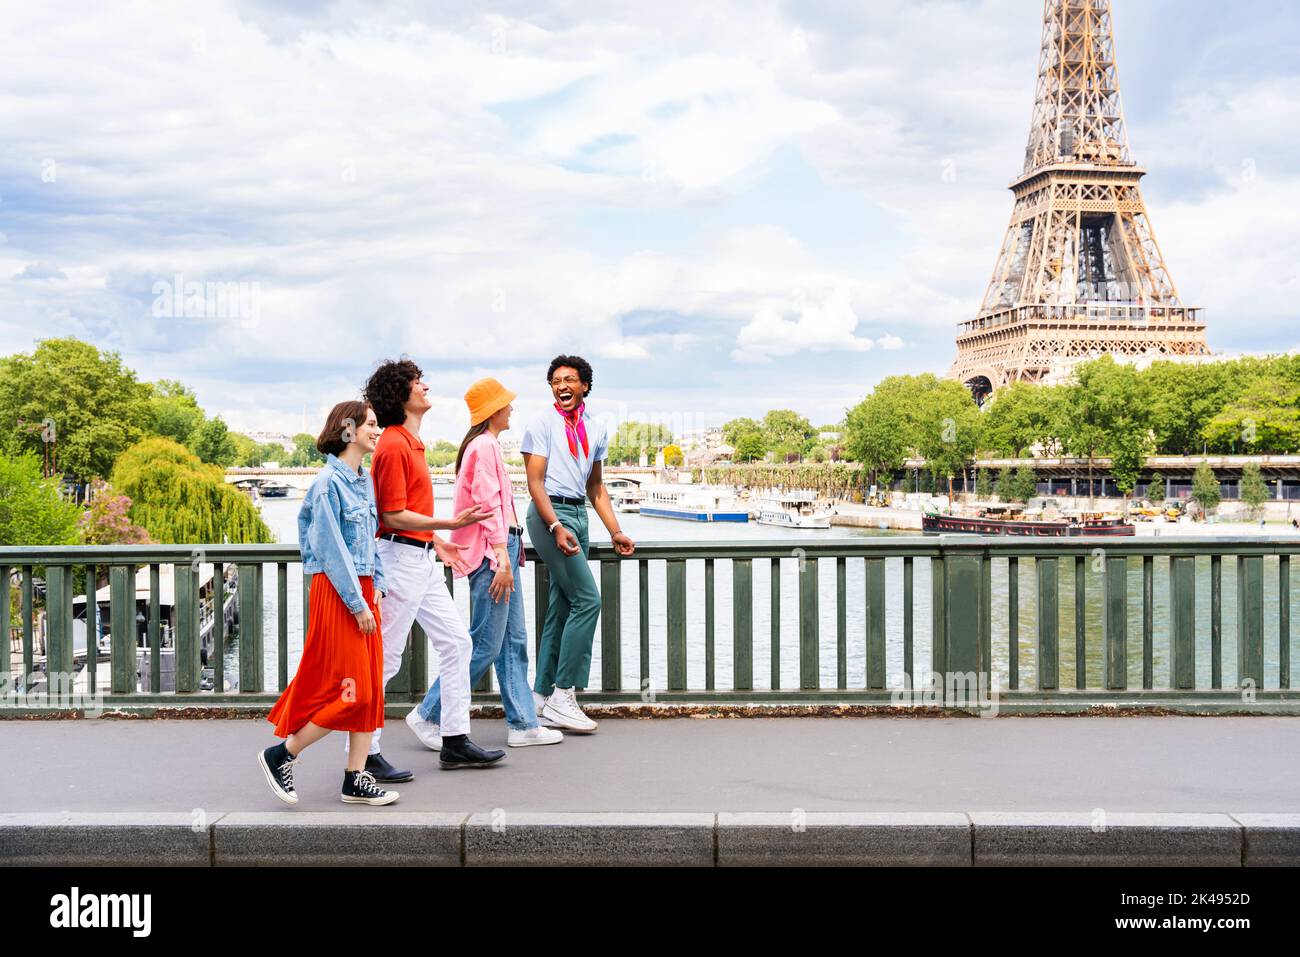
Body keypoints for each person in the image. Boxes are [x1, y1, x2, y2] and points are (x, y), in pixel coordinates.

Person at [364, 358, 505, 777]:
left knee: (458, 644)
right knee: (386, 659)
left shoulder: (411, 442)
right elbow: (390, 515)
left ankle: (455, 740)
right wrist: (451, 524)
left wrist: (438, 542)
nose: (424, 386)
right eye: (416, 382)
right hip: (400, 561)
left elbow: (407, 512)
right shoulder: (392, 443)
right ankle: (366, 753)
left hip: (419, 557)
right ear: (400, 395)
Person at [406, 378, 563, 749]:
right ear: (494, 410)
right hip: (495, 551)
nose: (512, 409)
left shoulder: (481, 445)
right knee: (485, 644)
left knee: (513, 641)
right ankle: (428, 714)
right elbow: (489, 506)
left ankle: (523, 724)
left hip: (499, 547)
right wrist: (502, 558)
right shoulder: (485, 447)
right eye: (507, 404)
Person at [258, 401, 398, 806]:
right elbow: (331, 550)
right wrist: (357, 602)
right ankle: (282, 754)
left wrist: (378, 588)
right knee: (351, 691)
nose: (377, 430)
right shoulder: (326, 485)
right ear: (349, 430)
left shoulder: (363, 481)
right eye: (372, 425)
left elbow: (370, 543)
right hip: (339, 593)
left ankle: (355, 777)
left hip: (362, 589)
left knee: (369, 688)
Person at [521, 355, 635, 732]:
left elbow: (595, 487)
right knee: (589, 600)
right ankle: (564, 694)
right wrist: (554, 524)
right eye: (555, 381)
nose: (562, 386)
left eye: (569, 379)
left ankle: (539, 696)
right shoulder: (542, 423)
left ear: (585, 385)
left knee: (563, 602)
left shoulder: (597, 428)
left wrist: (615, 530)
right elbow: (534, 483)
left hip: (579, 516)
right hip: (549, 514)